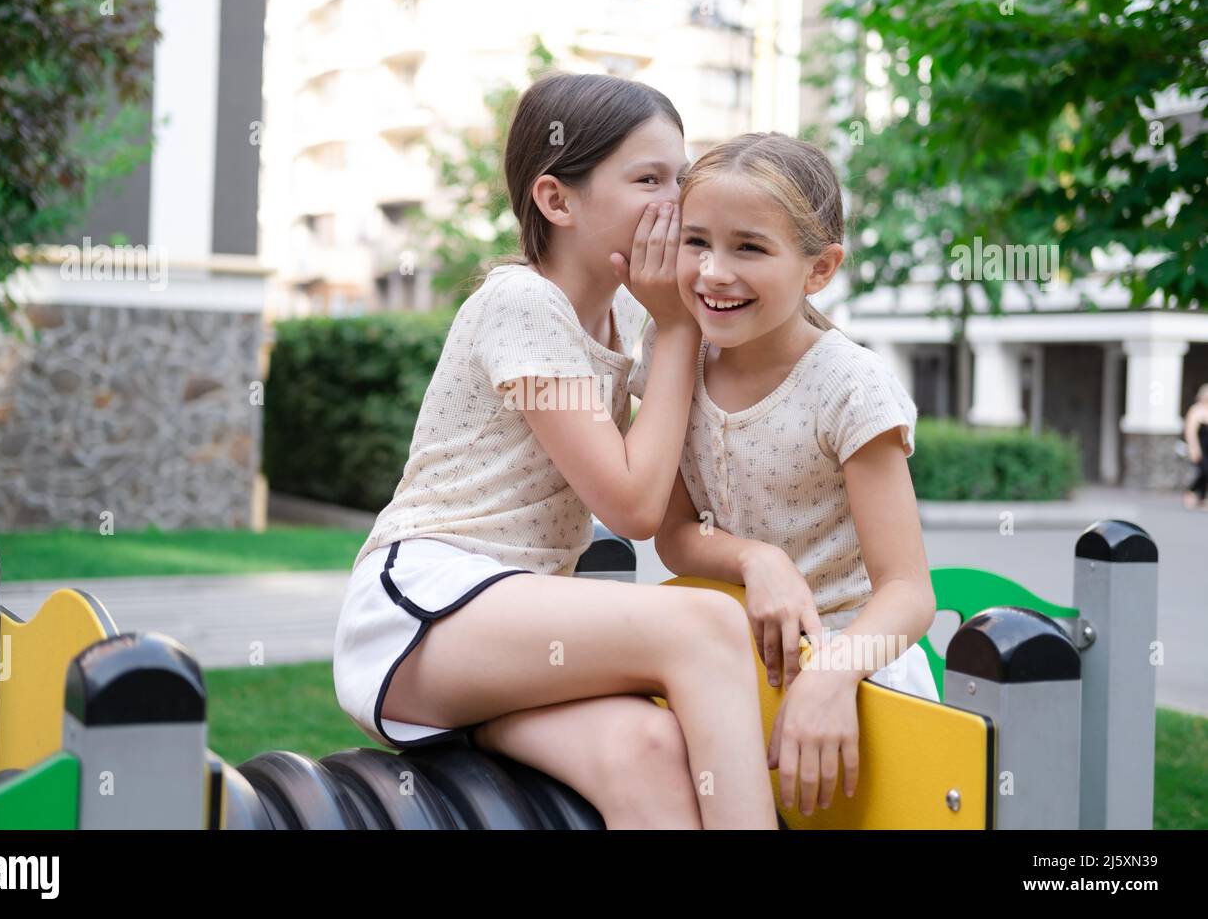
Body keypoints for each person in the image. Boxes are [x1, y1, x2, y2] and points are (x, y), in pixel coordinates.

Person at [332, 72, 779, 829]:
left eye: (684, 176)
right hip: (425, 614)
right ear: (557, 200)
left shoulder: (627, 323)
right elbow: (631, 505)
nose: (678, 202)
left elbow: (680, 496)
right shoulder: (522, 303)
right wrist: (675, 331)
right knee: (704, 628)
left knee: (648, 746)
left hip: (510, 643)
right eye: (649, 179)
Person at [637, 132, 938, 818]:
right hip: (726, 672)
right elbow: (674, 533)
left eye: (750, 247)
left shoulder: (850, 386)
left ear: (820, 268)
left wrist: (830, 673)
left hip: (855, 683)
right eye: (696, 241)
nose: (713, 272)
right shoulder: (673, 351)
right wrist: (756, 559)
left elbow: (908, 592)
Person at [1184, 384, 1208, 510]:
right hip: (1201, 448)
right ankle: (1193, 492)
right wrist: (1193, 448)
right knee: (1205, 471)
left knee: (1205, 473)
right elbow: (1190, 431)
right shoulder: (1196, 410)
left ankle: (1200, 496)